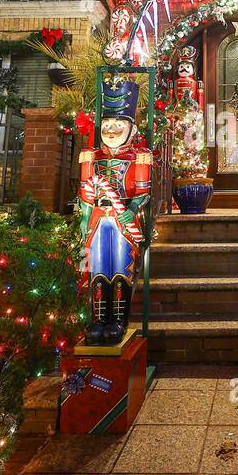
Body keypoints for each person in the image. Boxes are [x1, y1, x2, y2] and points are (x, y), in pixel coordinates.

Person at [77, 78, 152, 345]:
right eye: (107, 124)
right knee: (98, 267)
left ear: (132, 129)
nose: (111, 129)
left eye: (119, 124)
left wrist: (132, 209)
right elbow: (85, 192)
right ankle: (98, 319)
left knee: (121, 266)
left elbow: (142, 192)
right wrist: (85, 216)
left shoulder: (139, 157)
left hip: (122, 222)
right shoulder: (91, 157)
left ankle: (119, 319)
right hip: (98, 219)